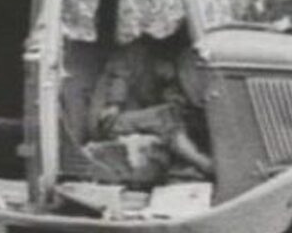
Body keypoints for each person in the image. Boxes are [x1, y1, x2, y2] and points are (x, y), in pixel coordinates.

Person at [85, 25, 212, 185]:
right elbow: (119, 77)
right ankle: (203, 163)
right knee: (166, 117)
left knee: (177, 114)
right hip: (109, 121)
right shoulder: (134, 53)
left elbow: (169, 93)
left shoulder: (156, 70)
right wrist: (114, 103)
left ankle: (196, 159)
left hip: (131, 117)